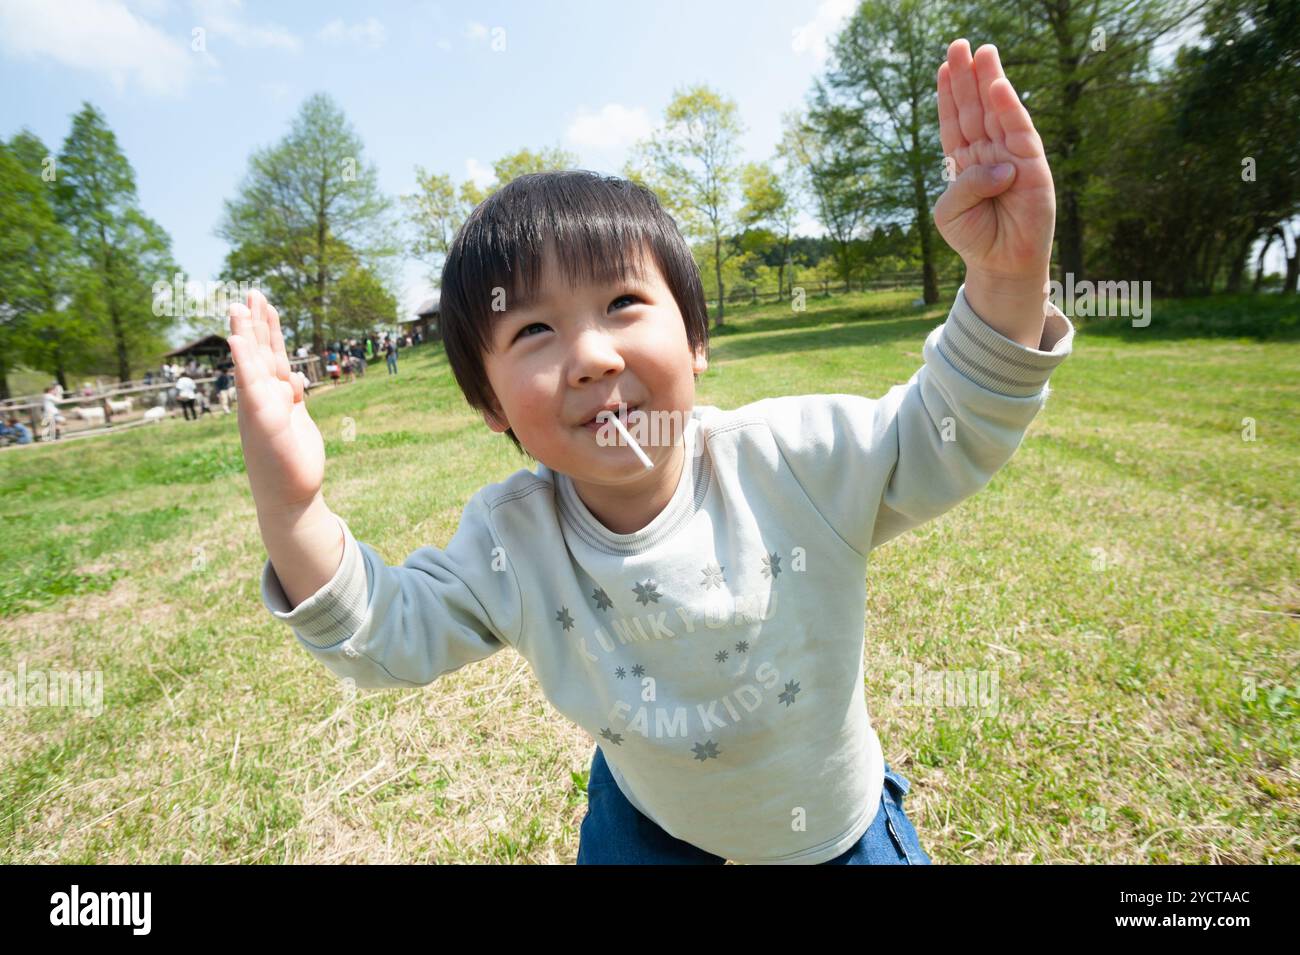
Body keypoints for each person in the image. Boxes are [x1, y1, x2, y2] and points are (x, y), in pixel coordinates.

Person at [228, 43, 1072, 866]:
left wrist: (1007, 279)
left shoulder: (790, 462)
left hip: (827, 821)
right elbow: (386, 636)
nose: (592, 354)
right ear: (490, 405)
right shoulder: (510, 545)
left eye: (623, 301)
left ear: (696, 337)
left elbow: (944, 436)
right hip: (650, 817)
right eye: (532, 329)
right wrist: (291, 507)